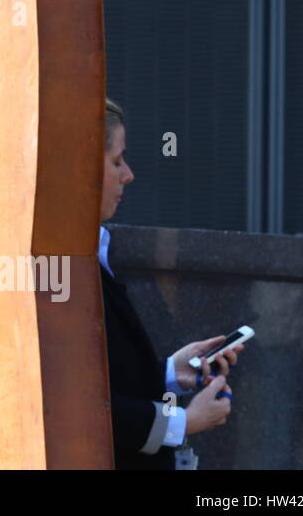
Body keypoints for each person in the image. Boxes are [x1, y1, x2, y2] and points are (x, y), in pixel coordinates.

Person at [100, 98, 244, 470]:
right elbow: (76, 403)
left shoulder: (89, 253)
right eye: (117, 161)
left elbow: (106, 377)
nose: (128, 174)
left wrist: (169, 373)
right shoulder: (62, 265)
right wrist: (184, 422)